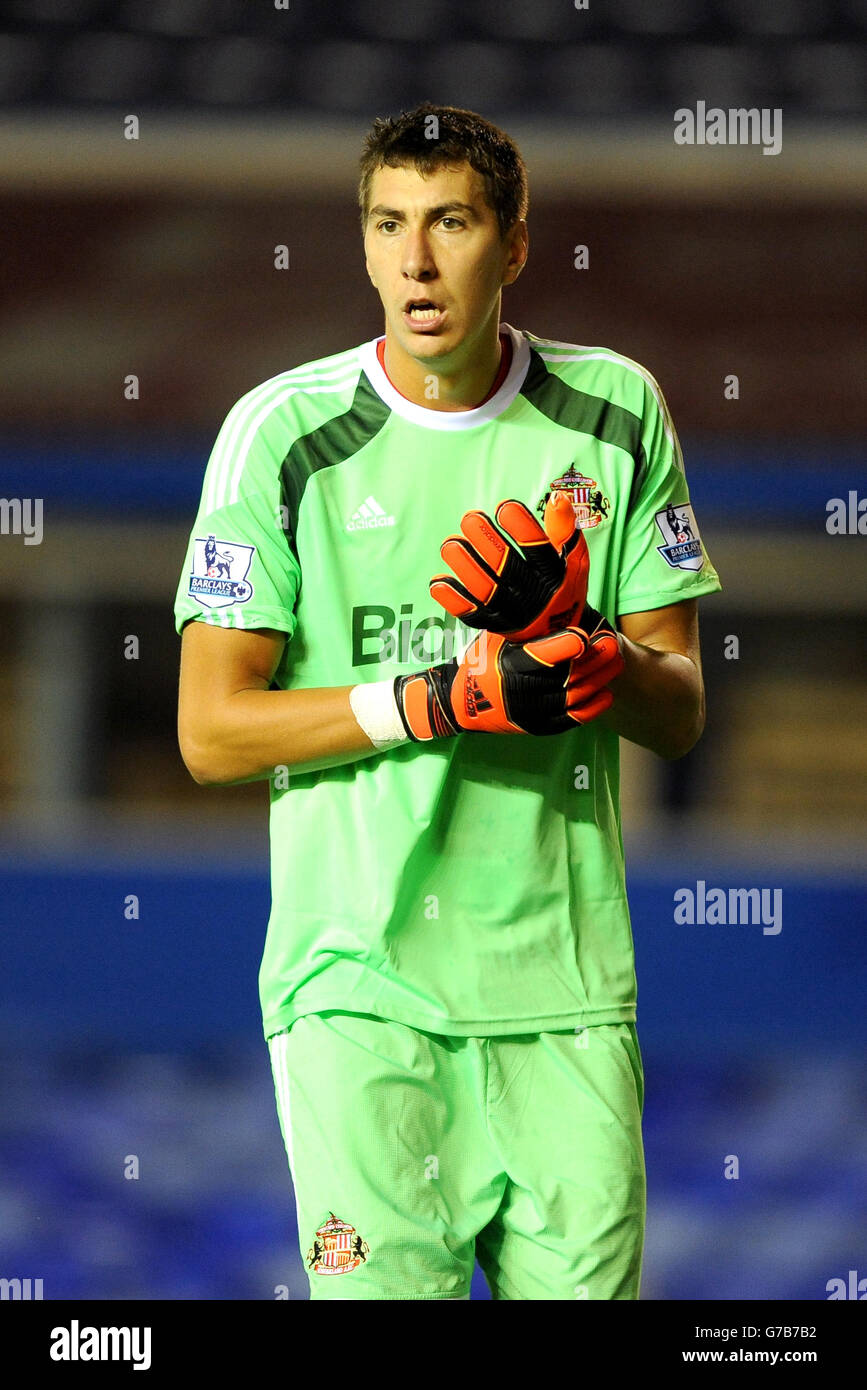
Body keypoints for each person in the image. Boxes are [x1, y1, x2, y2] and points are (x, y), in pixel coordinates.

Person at [174, 103, 721, 1301]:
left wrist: (588, 658)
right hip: (357, 996)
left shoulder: (616, 413)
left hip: (566, 1001)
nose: (416, 261)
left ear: (515, 245)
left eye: (452, 223)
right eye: (389, 225)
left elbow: (676, 708)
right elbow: (212, 733)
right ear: (364, 243)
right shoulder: (281, 438)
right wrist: (435, 698)